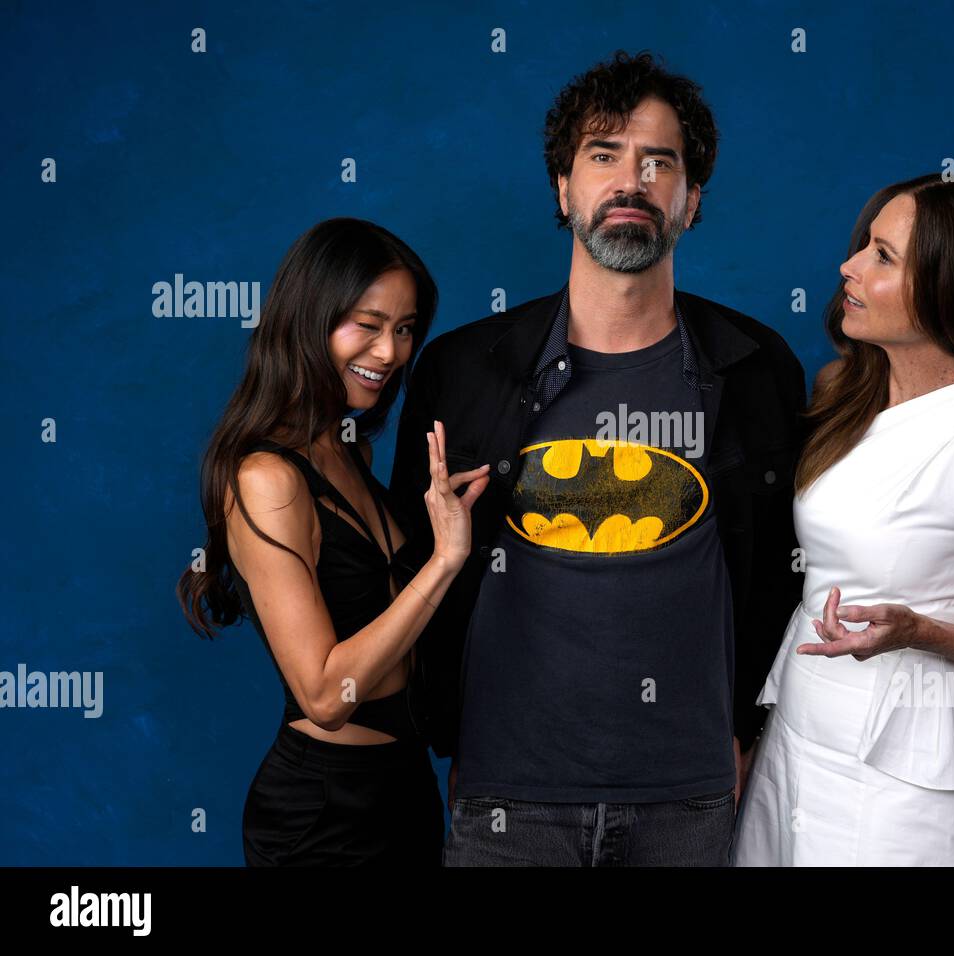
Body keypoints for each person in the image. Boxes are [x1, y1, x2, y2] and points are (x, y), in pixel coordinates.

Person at [388, 50, 807, 866]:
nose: (633, 180)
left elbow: (784, 572)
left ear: (692, 199)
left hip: (689, 798)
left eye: (661, 161)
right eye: (604, 154)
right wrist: (449, 737)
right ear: (563, 189)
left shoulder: (757, 367)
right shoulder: (463, 369)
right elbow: (414, 561)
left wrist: (747, 730)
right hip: (508, 798)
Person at [733, 174, 954, 866]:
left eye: (883, 257)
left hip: (907, 774)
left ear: (949, 289)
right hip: (799, 738)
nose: (849, 266)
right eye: (864, 246)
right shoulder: (845, 389)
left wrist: (919, 632)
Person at [176, 217, 490, 865]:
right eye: (366, 325)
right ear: (308, 319)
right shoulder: (266, 477)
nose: (389, 353)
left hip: (404, 792)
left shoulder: (349, 450)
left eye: (404, 330)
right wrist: (443, 560)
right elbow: (324, 696)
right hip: (322, 818)